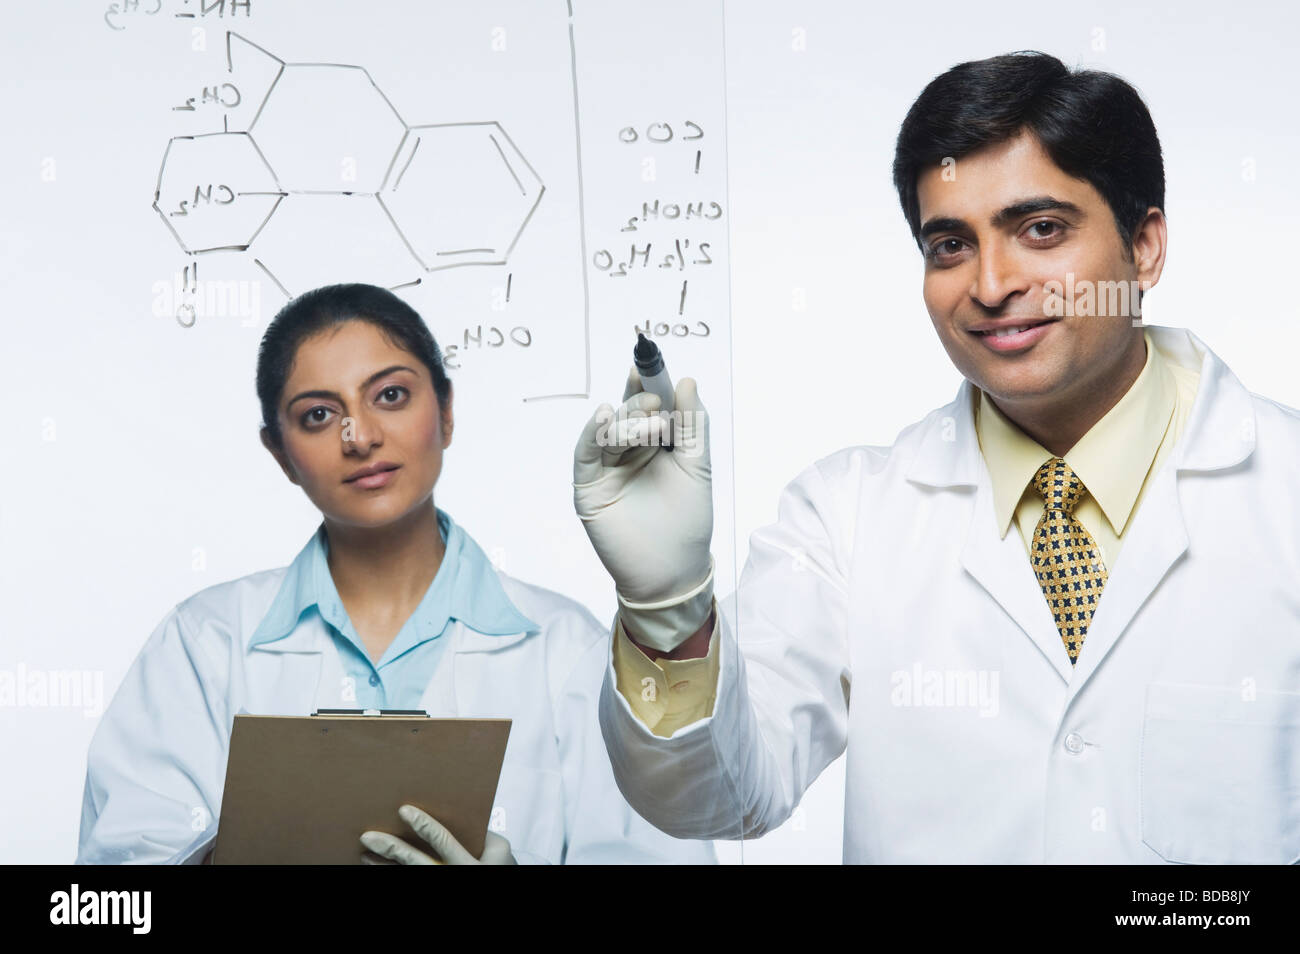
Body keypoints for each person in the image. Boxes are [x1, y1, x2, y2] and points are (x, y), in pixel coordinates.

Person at [573, 51, 1300, 864]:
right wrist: (667, 607)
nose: (990, 284)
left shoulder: (1285, 492)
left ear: (1146, 247)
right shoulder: (849, 518)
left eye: (1041, 229)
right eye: (950, 244)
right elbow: (724, 791)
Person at [76, 283, 714, 865]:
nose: (360, 436)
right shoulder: (202, 645)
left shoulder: (567, 650)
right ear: (281, 453)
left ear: (447, 409)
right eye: (319, 415)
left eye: (390, 395)